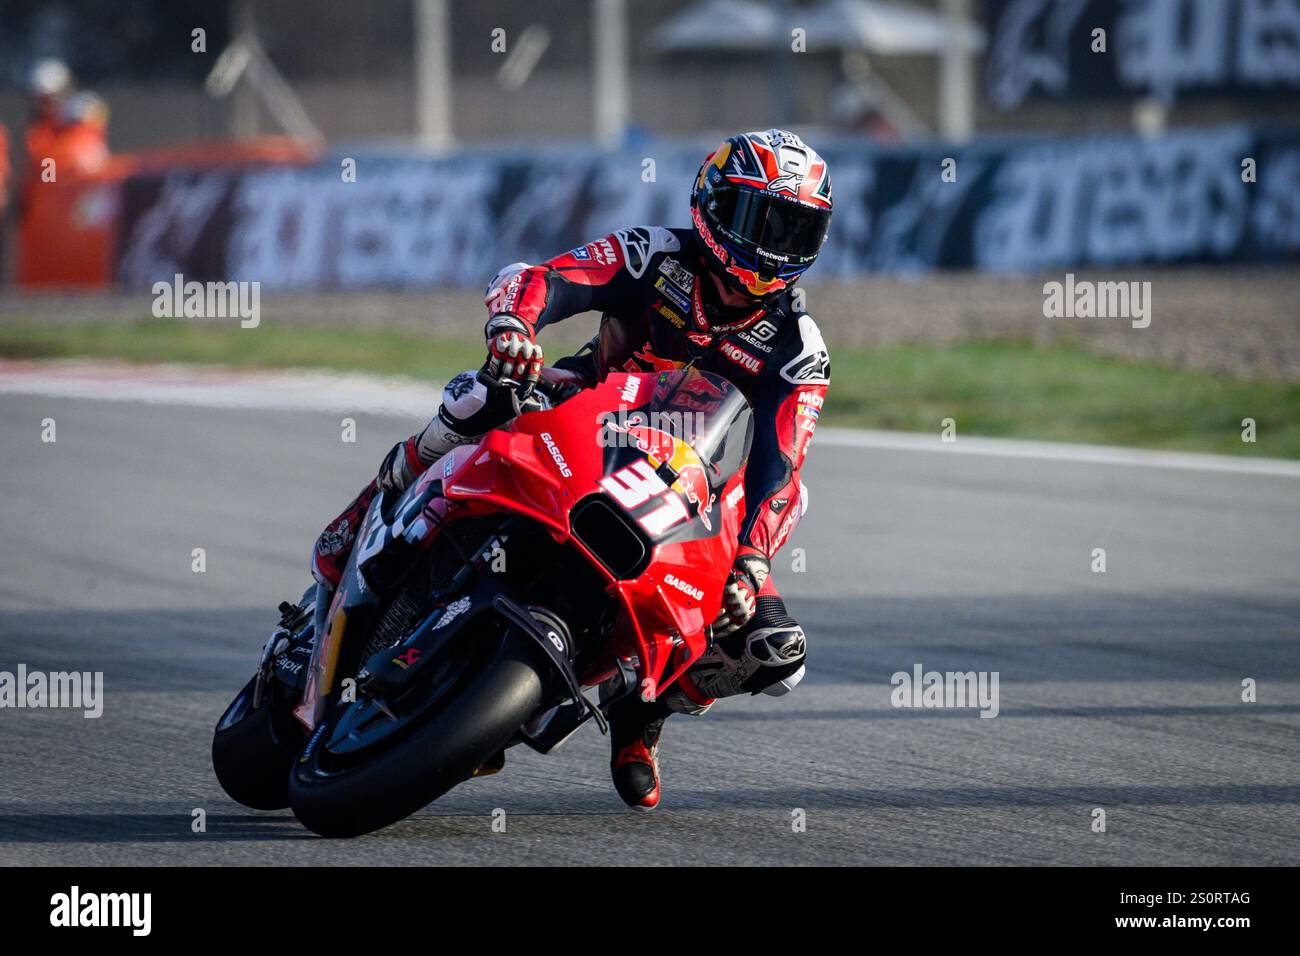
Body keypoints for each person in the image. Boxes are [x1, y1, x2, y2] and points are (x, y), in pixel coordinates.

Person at [313, 129, 833, 811]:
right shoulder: (654, 253)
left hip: (681, 491)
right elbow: (542, 279)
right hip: (582, 413)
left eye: (796, 227)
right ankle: (371, 508)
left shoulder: (798, 348)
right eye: (762, 219)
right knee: (484, 391)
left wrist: (752, 565)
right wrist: (513, 330)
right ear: (713, 205)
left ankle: (643, 707)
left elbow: (781, 471)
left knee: (774, 649)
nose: (775, 244)